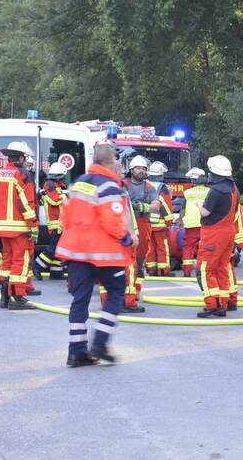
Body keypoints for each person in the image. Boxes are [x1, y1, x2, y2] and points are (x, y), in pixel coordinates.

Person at [56, 142, 136, 367]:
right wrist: (126, 238)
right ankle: (99, 343)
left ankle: (76, 352)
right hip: (104, 253)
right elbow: (112, 220)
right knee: (116, 293)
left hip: (76, 251)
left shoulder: (79, 183)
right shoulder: (110, 186)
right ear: (110, 162)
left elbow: (66, 214)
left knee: (79, 300)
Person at [0, 142, 38, 310]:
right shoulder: (22, 175)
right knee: (21, 260)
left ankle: (5, 297)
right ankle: (17, 297)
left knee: (7, 261)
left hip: (0, 227)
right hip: (19, 227)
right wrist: (33, 225)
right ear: (22, 157)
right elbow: (26, 202)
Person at [196, 155, 240, 318]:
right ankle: (223, 302)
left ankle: (212, 305)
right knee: (222, 268)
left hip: (214, 234)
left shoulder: (216, 190)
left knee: (205, 269)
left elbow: (206, 212)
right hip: (228, 232)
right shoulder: (234, 188)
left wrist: (199, 205)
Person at [117, 156, 152, 313]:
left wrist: (142, 207)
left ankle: (135, 291)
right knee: (126, 262)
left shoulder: (149, 187)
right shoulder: (123, 185)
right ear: (131, 170)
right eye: (138, 168)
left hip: (143, 225)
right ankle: (124, 294)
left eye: (144, 169)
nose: (141, 171)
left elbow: (156, 205)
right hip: (126, 224)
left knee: (140, 259)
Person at [36, 162, 68, 280]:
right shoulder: (49, 184)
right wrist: (65, 197)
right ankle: (37, 266)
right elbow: (54, 200)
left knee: (59, 247)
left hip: (60, 222)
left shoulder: (57, 185)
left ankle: (56, 272)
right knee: (54, 247)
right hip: (55, 222)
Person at [146, 161, 175, 276]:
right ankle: (163, 270)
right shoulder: (162, 188)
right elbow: (165, 205)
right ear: (161, 175)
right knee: (162, 247)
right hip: (160, 223)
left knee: (150, 247)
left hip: (147, 223)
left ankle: (151, 269)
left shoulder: (145, 185)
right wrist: (169, 221)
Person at [179, 167, 207, 277]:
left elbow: (183, 208)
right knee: (204, 247)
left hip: (190, 224)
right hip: (205, 223)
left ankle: (186, 271)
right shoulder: (210, 192)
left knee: (188, 247)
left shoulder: (187, 193)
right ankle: (201, 270)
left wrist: (180, 221)